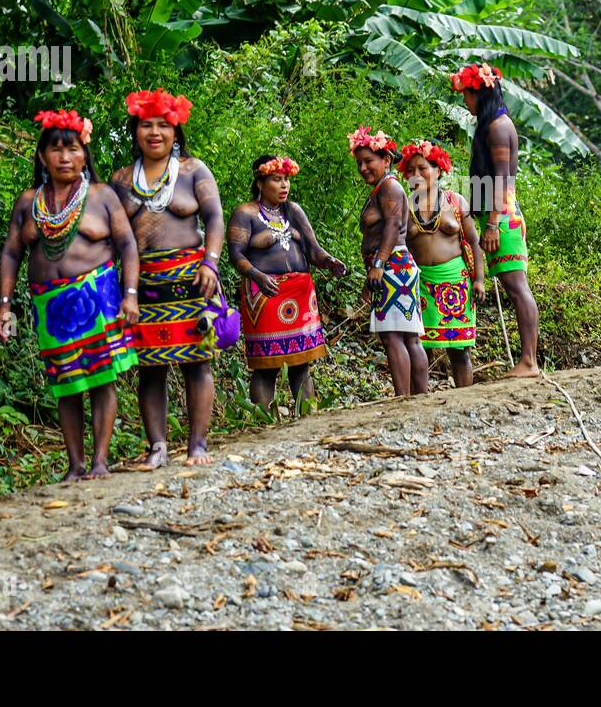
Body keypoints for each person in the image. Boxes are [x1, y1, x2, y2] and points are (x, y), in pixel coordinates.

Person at [0, 110, 139, 481]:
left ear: (84, 155)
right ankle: (75, 464)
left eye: (72, 149)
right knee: (66, 383)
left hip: (99, 297)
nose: (64, 158)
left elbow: (127, 246)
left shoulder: (102, 196)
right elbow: (12, 252)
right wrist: (5, 305)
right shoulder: (28, 201)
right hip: (51, 303)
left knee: (101, 379)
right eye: (56, 150)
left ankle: (100, 461)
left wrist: (131, 295)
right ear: (42, 156)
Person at [110, 90, 222, 468]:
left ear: (176, 131)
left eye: (163, 125)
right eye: (146, 125)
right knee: (150, 368)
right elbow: (115, 238)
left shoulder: (194, 171)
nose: (154, 132)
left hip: (192, 279)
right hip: (143, 286)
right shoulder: (122, 181)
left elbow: (215, 219)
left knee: (197, 363)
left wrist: (211, 263)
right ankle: (157, 446)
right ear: (135, 130)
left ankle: (198, 444)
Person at [228, 155, 347, 416]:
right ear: (260, 183)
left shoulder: (293, 211)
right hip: (265, 292)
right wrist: (258, 275)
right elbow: (236, 255)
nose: (284, 186)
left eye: (286, 180)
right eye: (276, 180)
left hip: (300, 293)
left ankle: (308, 420)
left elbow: (313, 249)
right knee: (265, 365)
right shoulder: (245, 213)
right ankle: (264, 422)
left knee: (301, 362)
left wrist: (329, 262)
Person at [453, 63, 540, 377]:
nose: (466, 102)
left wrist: (491, 224)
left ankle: (529, 361)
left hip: (502, 218)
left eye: (467, 95)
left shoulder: (498, 127)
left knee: (517, 288)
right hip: (501, 215)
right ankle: (527, 360)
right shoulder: (493, 124)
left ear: (481, 93)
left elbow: (503, 180)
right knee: (515, 287)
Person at [349, 126, 429, 396]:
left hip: (392, 265)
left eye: (369, 161)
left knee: (394, 335)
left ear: (386, 160)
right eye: (359, 162)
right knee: (407, 335)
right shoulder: (383, 188)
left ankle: (403, 397)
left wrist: (379, 265)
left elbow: (393, 226)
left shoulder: (390, 187)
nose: (363, 168)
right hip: (396, 266)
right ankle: (417, 396)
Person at [399, 139, 486, 388]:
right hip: (419, 284)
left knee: (459, 351)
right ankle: (420, 400)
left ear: (438, 170)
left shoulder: (456, 201)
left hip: (455, 282)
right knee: (420, 348)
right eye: (411, 170)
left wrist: (479, 280)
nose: (416, 174)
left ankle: (464, 398)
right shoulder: (404, 205)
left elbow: (474, 242)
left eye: (423, 168)